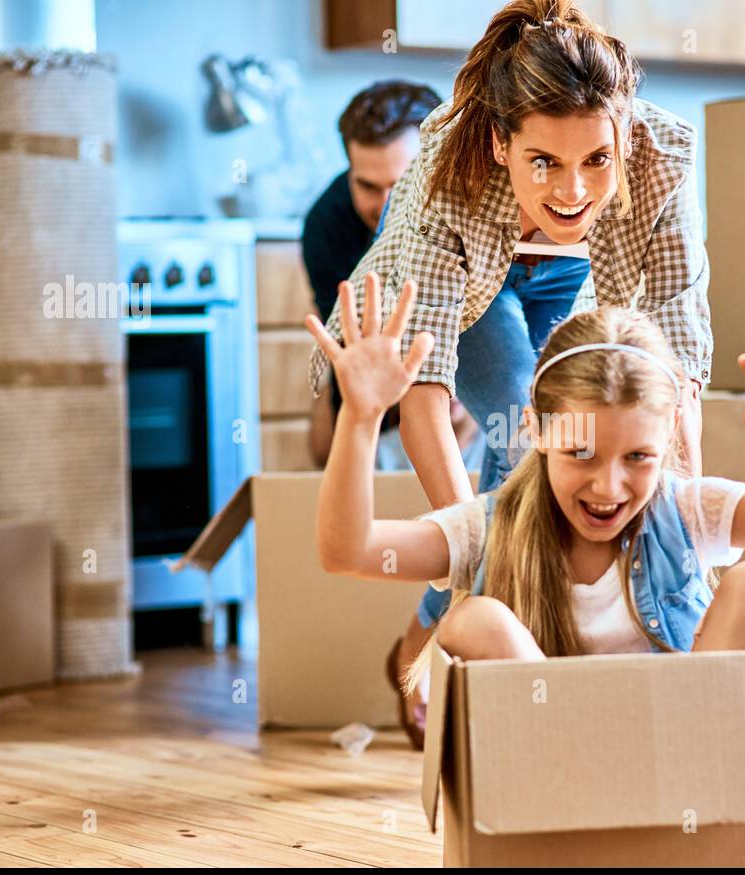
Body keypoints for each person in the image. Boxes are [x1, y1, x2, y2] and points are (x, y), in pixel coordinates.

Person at [306, 0, 716, 748]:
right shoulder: (441, 167)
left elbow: (673, 368)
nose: (573, 191)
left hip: (563, 274)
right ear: (501, 145)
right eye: (545, 163)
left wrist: (681, 534)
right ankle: (423, 643)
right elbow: (425, 394)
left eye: (597, 159)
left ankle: (495, 633)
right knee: (526, 432)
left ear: (623, 138)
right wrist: (473, 565)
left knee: (576, 431)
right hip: (476, 286)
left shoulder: (663, 161)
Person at [305, 277, 745, 692]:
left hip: (687, 748)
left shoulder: (685, 511)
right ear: (533, 428)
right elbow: (347, 552)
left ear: (669, 440)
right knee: (471, 620)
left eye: (638, 456)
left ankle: (688, 753)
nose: (608, 486)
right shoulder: (487, 528)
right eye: (580, 452)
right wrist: (358, 420)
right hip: (564, 766)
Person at [300, 79, 444, 468]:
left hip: (452, 356)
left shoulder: (467, 206)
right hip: (369, 349)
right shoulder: (325, 223)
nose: (385, 207)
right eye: (368, 186)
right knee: (324, 447)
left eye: (400, 186)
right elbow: (347, 342)